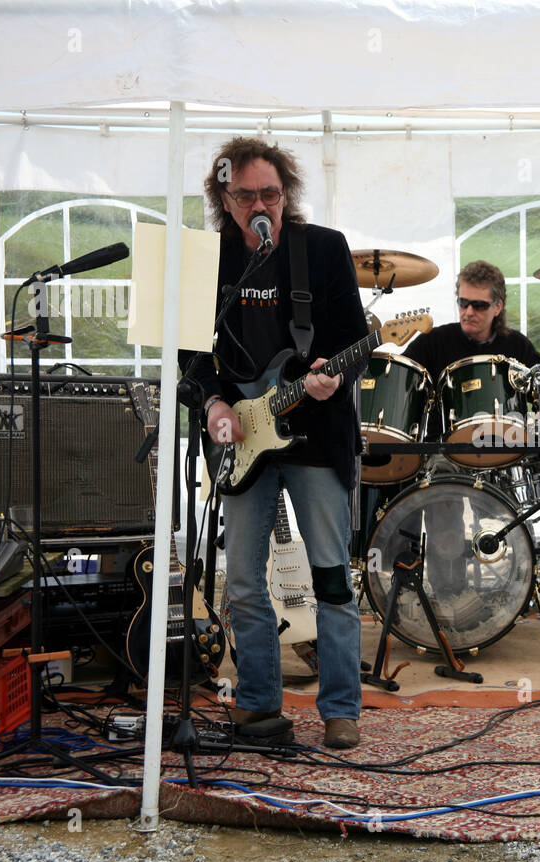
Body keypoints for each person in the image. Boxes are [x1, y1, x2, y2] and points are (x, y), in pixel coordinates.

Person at [184, 137, 367, 749]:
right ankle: (259, 704)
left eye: (270, 193)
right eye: (246, 196)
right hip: (242, 440)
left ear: (285, 193)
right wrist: (212, 404)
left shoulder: (322, 249)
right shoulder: (211, 260)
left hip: (314, 436)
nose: (260, 204)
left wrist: (330, 378)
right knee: (242, 581)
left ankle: (341, 709)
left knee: (332, 576)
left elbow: (356, 341)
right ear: (225, 200)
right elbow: (190, 356)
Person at [402, 261, 540, 620]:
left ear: (498, 306)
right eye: (463, 303)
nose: (468, 312)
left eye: (479, 305)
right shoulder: (434, 342)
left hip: (509, 450)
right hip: (450, 452)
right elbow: (405, 387)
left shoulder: (516, 345)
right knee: (438, 488)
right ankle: (452, 596)